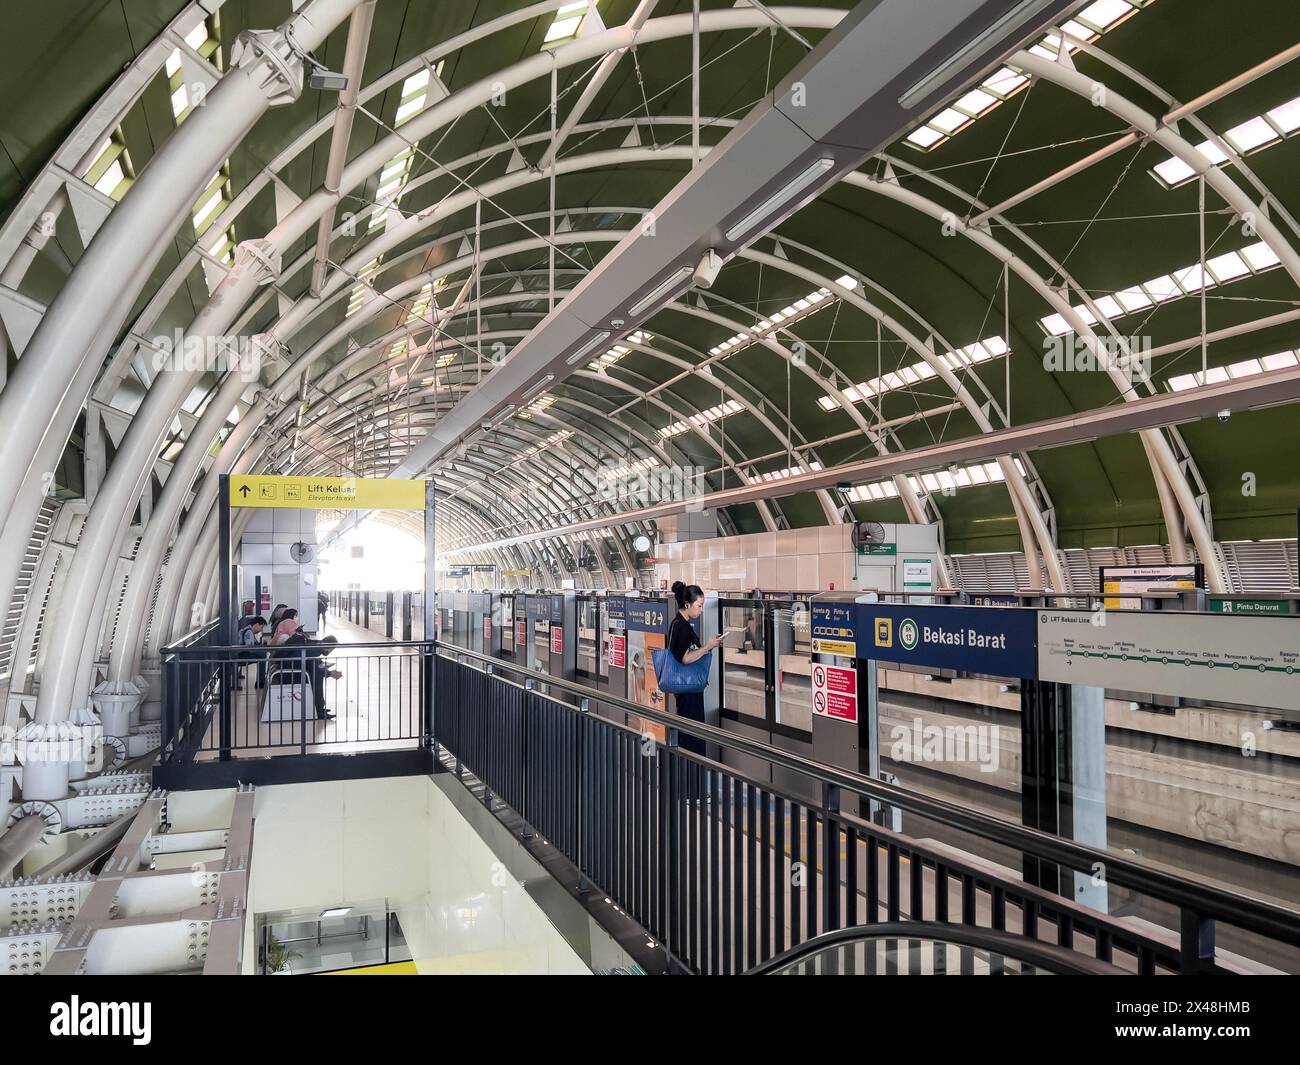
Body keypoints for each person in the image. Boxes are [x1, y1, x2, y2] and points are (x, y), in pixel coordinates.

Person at [667, 581, 724, 757]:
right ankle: (693, 777)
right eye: (699, 606)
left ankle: (692, 775)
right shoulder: (682, 627)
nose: (701, 610)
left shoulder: (678, 623)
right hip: (688, 691)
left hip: (687, 689)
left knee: (691, 734)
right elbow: (686, 658)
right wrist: (707, 646)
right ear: (687, 605)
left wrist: (710, 645)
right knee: (692, 737)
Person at [278, 633, 341, 719]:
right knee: (317, 679)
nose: (330, 652)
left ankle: (319, 707)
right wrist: (330, 673)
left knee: (316, 676)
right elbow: (316, 670)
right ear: (328, 646)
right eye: (332, 649)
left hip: (289, 669)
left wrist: (324, 668)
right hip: (290, 674)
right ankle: (319, 711)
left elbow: (312, 663)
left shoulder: (314, 646)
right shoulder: (315, 650)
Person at [235, 616, 266, 690]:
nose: (261, 630)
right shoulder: (248, 632)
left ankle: (261, 681)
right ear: (256, 624)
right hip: (240, 656)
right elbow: (249, 648)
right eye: (261, 627)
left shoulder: (248, 630)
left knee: (262, 655)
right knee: (262, 657)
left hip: (239, 654)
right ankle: (260, 682)